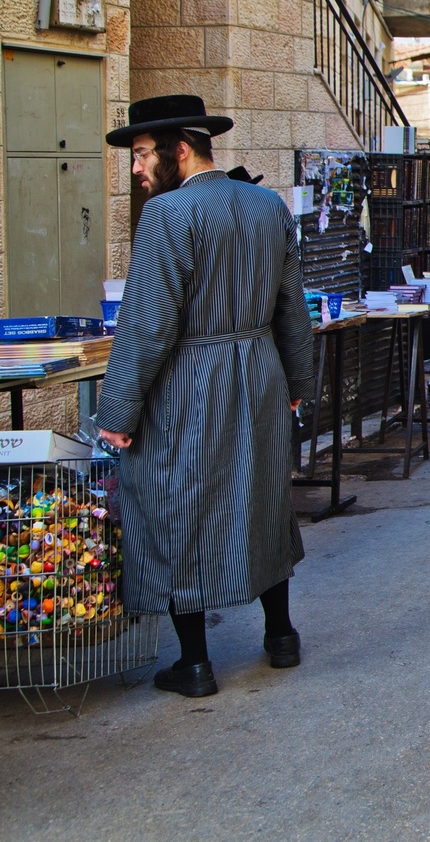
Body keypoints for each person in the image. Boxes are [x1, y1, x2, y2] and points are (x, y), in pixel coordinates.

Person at [96, 95, 315, 698]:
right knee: (265, 502)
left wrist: (116, 413)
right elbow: (292, 310)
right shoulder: (268, 206)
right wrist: (299, 386)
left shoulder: (167, 215)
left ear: (181, 149)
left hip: (192, 383)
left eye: (141, 155)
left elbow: (147, 323)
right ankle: (282, 637)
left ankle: (194, 663)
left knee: (174, 507)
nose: (136, 169)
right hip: (260, 376)